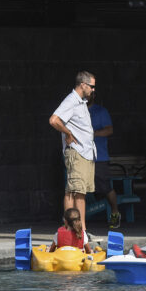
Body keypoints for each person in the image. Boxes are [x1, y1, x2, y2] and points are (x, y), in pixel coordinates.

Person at [48, 71, 97, 236]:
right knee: (75, 192)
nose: (93, 90)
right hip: (76, 152)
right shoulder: (71, 101)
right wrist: (68, 133)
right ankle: (77, 231)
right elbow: (54, 120)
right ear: (83, 85)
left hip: (85, 152)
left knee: (78, 191)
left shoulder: (81, 102)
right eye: (91, 86)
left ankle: (77, 230)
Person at [88, 94, 120, 229]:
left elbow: (109, 130)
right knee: (77, 189)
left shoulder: (101, 111)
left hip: (99, 157)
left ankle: (115, 212)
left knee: (105, 187)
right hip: (81, 156)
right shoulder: (76, 111)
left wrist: (91, 134)